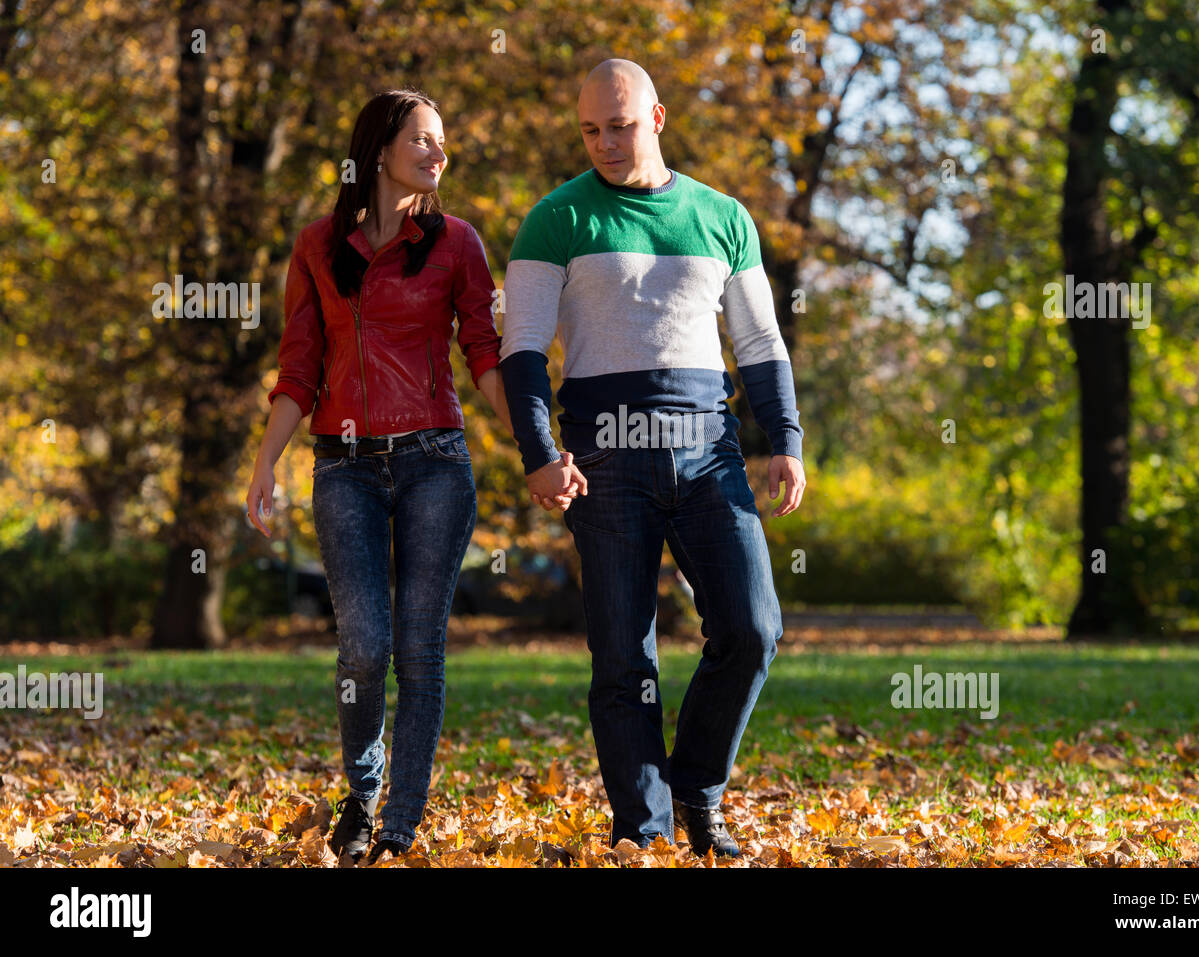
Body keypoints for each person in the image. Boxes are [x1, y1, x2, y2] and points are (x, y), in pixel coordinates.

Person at [499, 59, 808, 857]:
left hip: (710, 455)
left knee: (752, 627)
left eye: (621, 124)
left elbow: (760, 342)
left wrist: (785, 439)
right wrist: (540, 454)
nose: (605, 142)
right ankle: (643, 831)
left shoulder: (721, 216)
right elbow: (523, 353)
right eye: (590, 129)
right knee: (622, 657)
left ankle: (696, 790)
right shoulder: (555, 219)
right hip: (604, 466)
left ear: (659, 118)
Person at [246, 88, 518, 865]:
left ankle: (400, 816)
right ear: (379, 150)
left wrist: (538, 446)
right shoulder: (316, 246)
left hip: (435, 461)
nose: (439, 153)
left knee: (418, 648)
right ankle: (361, 794)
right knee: (363, 645)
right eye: (423, 139)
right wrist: (265, 464)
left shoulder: (458, 242)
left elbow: (486, 357)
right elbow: (298, 367)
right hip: (344, 468)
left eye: (443, 141)